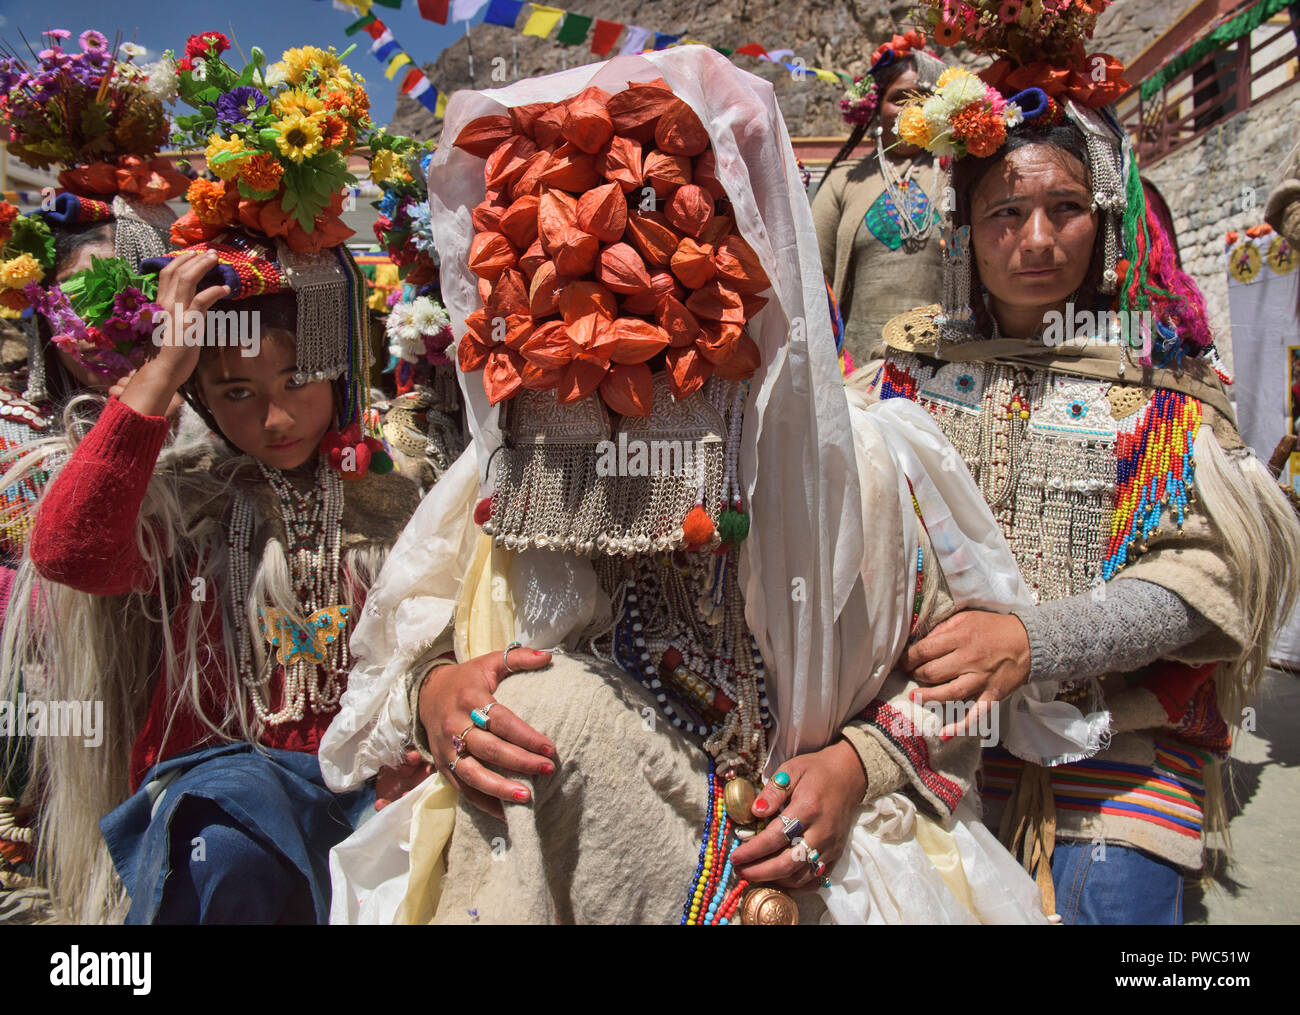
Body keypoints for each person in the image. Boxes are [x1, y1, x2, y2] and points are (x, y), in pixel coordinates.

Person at [319, 45, 1058, 926]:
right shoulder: (519, 471)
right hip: (591, 861)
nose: (610, 336)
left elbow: (965, 678)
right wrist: (437, 693)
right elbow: (411, 640)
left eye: (653, 279)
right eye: (575, 288)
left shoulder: (865, 461)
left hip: (837, 860)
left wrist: (861, 761)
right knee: (546, 707)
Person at [849, 31, 1300, 922]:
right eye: (1004, 216)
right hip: (929, 736)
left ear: (1110, 219)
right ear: (964, 232)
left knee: (1115, 909)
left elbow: (1206, 581)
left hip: (1118, 739)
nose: (1037, 239)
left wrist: (1033, 643)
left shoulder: (1164, 389)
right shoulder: (902, 381)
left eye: (1065, 208)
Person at [811, 32, 946, 366]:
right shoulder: (846, 179)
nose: (912, 108)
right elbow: (813, 278)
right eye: (900, 97)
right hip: (856, 375)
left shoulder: (961, 175)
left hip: (946, 374)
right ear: (876, 107)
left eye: (924, 97)